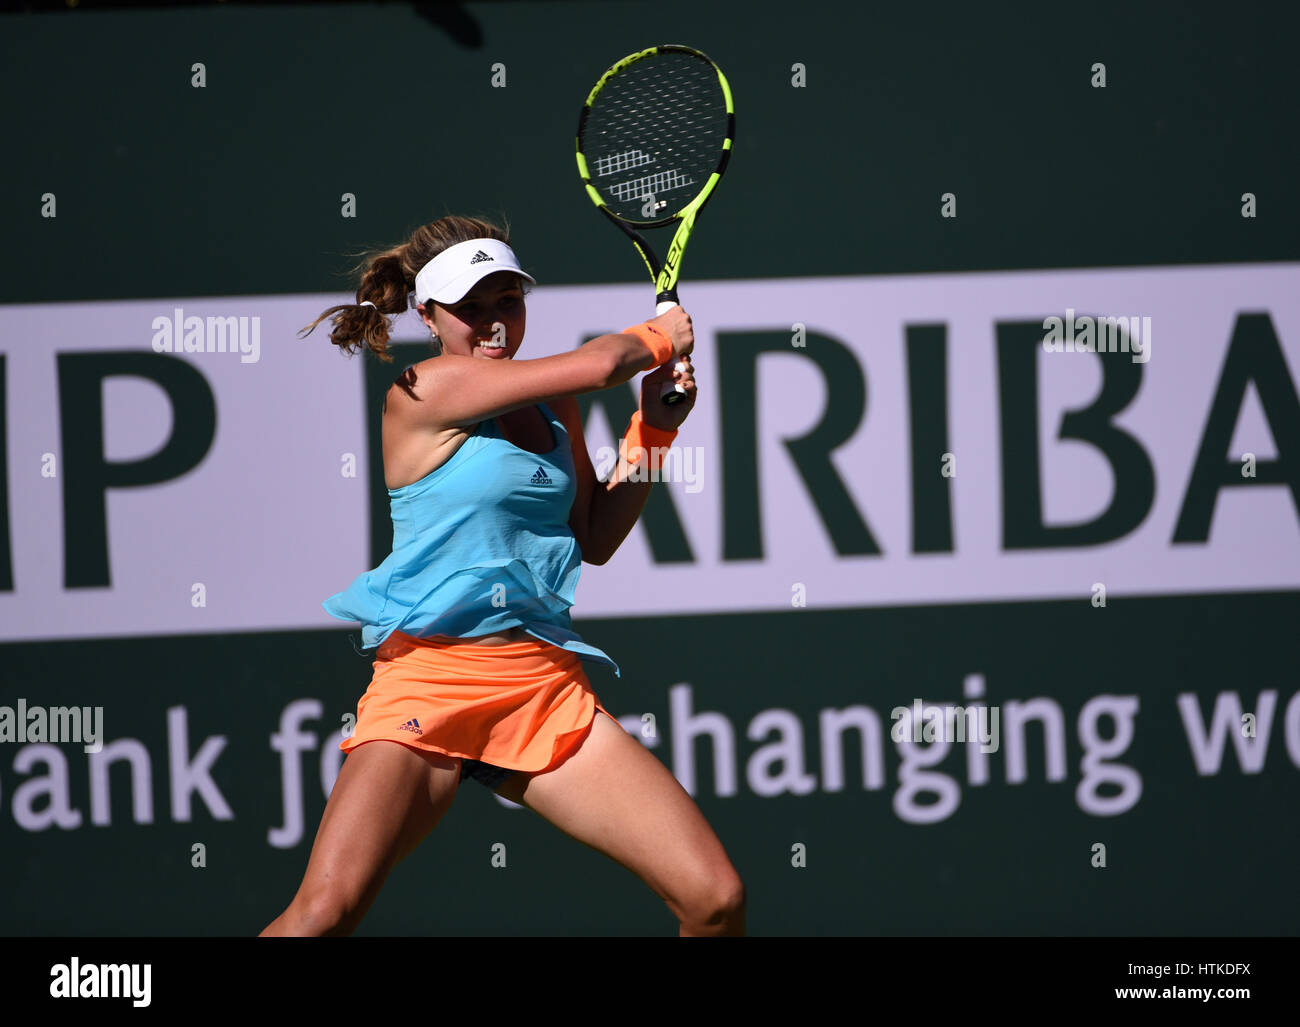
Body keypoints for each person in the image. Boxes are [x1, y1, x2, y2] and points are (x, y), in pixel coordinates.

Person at [259, 215, 745, 937]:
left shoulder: (554, 405)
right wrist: (660, 335)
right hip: (429, 681)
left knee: (714, 897)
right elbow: (600, 362)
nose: (492, 323)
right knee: (324, 914)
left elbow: (595, 535)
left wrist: (653, 431)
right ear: (427, 314)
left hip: (539, 685)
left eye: (506, 301)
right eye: (470, 307)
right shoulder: (423, 389)